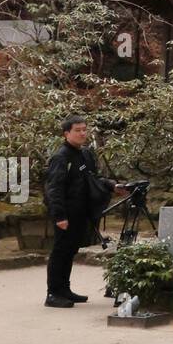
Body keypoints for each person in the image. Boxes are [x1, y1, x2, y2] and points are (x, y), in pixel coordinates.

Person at [42, 116, 122, 308]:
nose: (82, 133)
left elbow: (92, 179)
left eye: (84, 129)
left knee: (70, 251)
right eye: (77, 130)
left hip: (81, 212)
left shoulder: (85, 154)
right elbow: (54, 189)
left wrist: (112, 185)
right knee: (60, 251)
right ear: (66, 133)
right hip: (66, 214)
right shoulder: (61, 157)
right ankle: (53, 293)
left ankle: (64, 289)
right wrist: (59, 215)